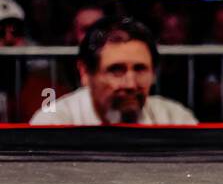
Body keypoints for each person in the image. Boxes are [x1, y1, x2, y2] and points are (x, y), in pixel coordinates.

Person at [30, 16, 197, 125]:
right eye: (116, 70)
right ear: (85, 72)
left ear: (153, 73)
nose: (131, 84)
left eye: (140, 69)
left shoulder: (175, 119)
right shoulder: (54, 123)